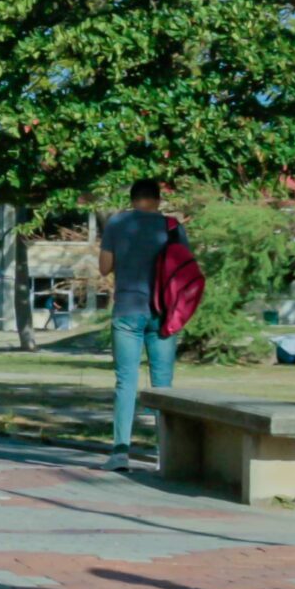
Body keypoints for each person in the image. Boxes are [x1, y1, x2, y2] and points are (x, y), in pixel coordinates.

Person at [98, 180, 184, 471]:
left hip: (127, 310)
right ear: (158, 200)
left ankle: (120, 452)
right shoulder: (172, 227)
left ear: (132, 199)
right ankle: (166, 456)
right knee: (163, 385)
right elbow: (185, 268)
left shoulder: (117, 223)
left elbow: (104, 267)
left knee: (126, 381)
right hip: (164, 313)